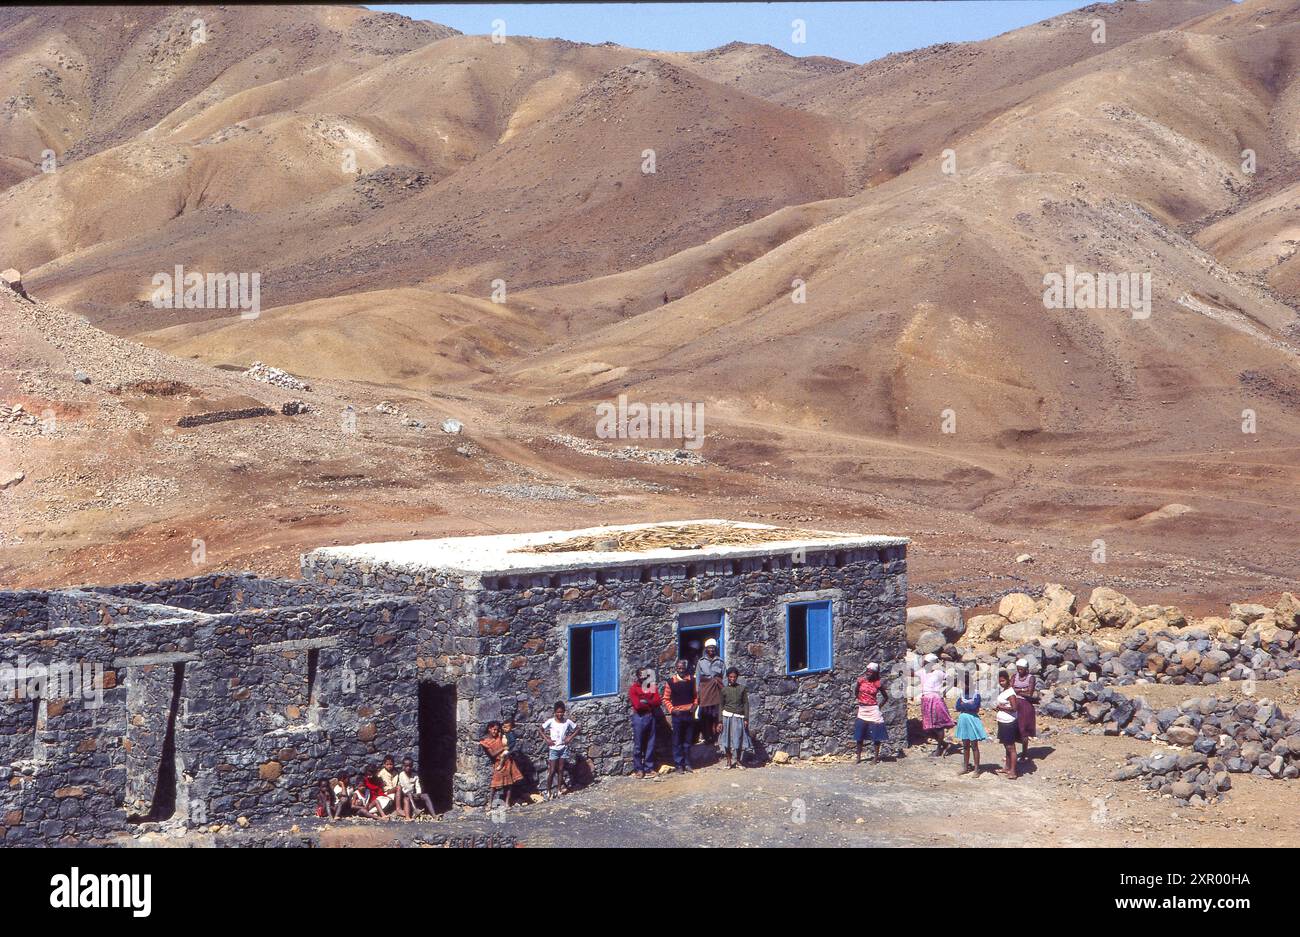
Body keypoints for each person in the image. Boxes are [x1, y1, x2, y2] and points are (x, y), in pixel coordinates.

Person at [480, 721, 524, 811]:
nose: (495, 731)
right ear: (489, 729)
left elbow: (510, 739)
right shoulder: (486, 742)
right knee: (494, 785)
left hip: (508, 761)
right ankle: (490, 803)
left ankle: (507, 803)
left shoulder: (501, 736)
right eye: (493, 729)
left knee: (509, 784)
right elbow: (492, 754)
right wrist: (503, 748)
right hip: (498, 763)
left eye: (497, 730)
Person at [663, 659, 697, 772]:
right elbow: (666, 699)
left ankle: (687, 763)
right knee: (677, 741)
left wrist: (694, 706)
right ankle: (679, 765)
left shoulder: (692, 680)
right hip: (677, 716)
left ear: (686, 668)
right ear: (676, 668)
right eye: (678, 668)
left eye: (682, 668)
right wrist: (672, 710)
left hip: (689, 714)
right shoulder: (671, 682)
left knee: (688, 741)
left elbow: (697, 696)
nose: (681, 670)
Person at [540, 702, 579, 798]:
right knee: (552, 770)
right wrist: (547, 739)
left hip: (563, 748)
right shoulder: (551, 721)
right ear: (554, 712)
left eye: (562, 712)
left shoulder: (567, 722)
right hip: (553, 749)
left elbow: (577, 729)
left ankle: (559, 790)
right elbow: (540, 729)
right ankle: (548, 791)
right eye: (558, 712)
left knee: (561, 769)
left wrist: (570, 737)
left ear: (564, 712)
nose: (560, 714)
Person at [953, 670, 989, 775]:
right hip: (963, 720)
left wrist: (964, 705)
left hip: (972, 720)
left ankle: (977, 768)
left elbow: (975, 707)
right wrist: (967, 706)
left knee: (974, 745)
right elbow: (957, 707)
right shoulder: (962, 694)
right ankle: (965, 767)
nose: (962, 686)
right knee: (965, 745)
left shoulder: (976, 694)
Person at [918, 653, 954, 756]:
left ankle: (939, 749)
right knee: (928, 727)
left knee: (938, 726)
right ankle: (944, 744)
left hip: (936, 700)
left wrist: (944, 691)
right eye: (924, 662)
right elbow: (911, 673)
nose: (924, 664)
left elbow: (951, 679)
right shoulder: (922, 672)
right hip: (925, 700)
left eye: (926, 662)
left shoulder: (938, 673)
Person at [853, 662, 889, 764]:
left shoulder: (877, 683)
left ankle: (875, 758)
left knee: (876, 735)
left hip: (873, 710)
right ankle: (858, 757)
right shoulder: (861, 681)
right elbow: (856, 691)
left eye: (871, 672)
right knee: (859, 734)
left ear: (875, 673)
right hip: (862, 710)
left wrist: (879, 707)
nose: (868, 673)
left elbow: (886, 697)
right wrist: (860, 700)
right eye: (867, 671)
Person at [629, 668, 661, 778]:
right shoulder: (634, 688)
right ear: (637, 676)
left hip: (650, 716)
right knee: (638, 744)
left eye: (645, 676)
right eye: (641, 676)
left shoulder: (651, 686)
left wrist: (645, 701)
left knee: (650, 743)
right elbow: (637, 705)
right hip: (639, 717)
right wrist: (649, 702)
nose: (643, 678)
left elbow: (658, 701)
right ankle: (639, 769)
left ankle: (649, 768)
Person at [694, 638, 725, 745]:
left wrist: (725, 691)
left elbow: (724, 677)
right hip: (705, 692)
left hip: (717, 691)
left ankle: (717, 737)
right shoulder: (701, 662)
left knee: (716, 715)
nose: (711, 650)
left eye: (713, 648)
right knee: (705, 716)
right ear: (706, 649)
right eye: (709, 648)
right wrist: (698, 693)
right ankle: (707, 737)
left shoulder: (720, 662)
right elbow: (698, 678)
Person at [719, 666, 750, 769]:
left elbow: (746, 704)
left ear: (737, 677)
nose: (732, 679)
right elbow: (721, 705)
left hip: (738, 716)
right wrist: (720, 721)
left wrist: (746, 718)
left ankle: (738, 760)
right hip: (726, 716)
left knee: (738, 738)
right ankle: (728, 760)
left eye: (734, 677)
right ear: (727, 677)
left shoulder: (742, 689)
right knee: (726, 739)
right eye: (730, 677)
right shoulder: (724, 690)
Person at [1012, 658, 1039, 763]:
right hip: (1014, 704)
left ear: (1026, 669)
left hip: (1025, 705)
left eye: (1021, 670)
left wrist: (1017, 691)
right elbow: (1010, 689)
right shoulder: (1014, 677)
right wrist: (1023, 690)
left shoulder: (1031, 678)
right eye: (1018, 669)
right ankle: (1012, 754)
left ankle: (1024, 754)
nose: (1019, 671)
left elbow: (1030, 693)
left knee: (1024, 730)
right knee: (1012, 729)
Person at [995, 670, 1020, 780]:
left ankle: (1013, 771)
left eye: (1003, 681)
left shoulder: (1011, 693)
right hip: (1002, 721)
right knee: (1006, 746)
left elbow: (1014, 708)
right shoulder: (1004, 691)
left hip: (1009, 722)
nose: (1001, 683)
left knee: (1011, 747)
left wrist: (1002, 708)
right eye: (999, 681)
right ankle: (1007, 767)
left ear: (1008, 680)